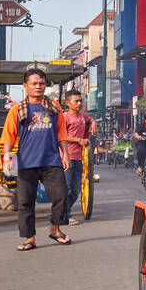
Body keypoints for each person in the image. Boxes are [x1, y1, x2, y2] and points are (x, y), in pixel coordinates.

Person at [1, 67, 73, 251]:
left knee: (62, 194)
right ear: (25, 86)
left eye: (41, 83)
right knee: (25, 201)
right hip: (25, 162)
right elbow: (8, 137)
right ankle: (29, 238)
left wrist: (65, 154)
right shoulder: (16, 109)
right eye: (34, 83)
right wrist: (7, 160)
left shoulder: (54, 107)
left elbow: (61, 133)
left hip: (51, 160)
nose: (38, 86)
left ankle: (55, 229)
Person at [60, 90, 95, 225]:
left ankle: (63, 213)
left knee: (75, 189)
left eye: (81, 100)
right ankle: (64, 215)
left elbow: (89, 119)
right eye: (76, 101)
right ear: (67, 103)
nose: (80, 103)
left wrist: (93, 122)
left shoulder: (82, 116)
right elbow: (61, 136)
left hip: (79, 157)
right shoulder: (64, 117)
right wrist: (79, 140)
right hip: (66, 156)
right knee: (67, 187)